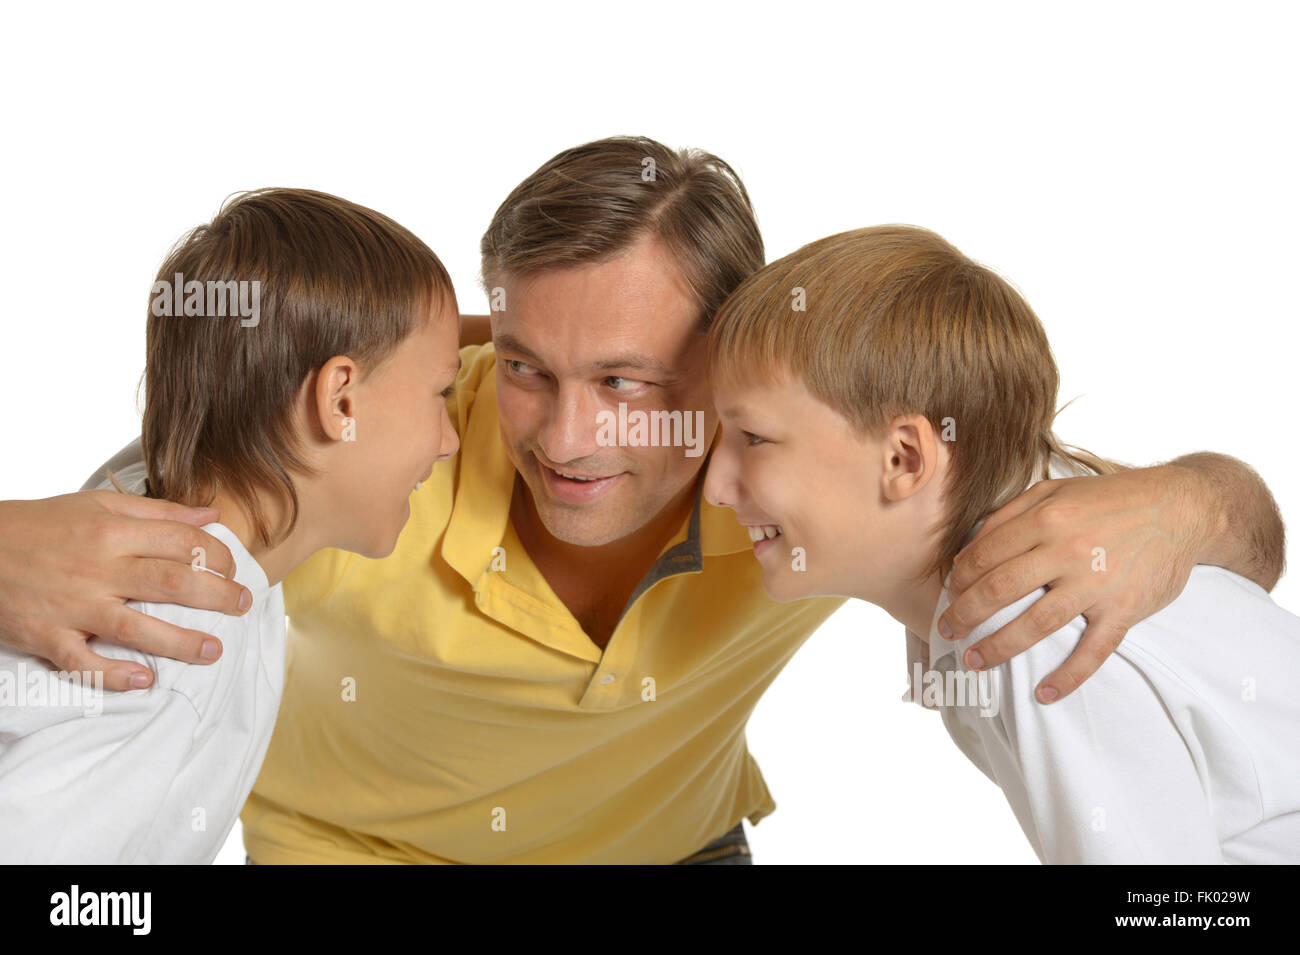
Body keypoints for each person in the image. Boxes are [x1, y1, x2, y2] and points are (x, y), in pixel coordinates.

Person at [0, 138, 1286, 864]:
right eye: (526, 369)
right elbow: (181, 509)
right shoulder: (365, 447)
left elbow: (1239, 541)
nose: (570, 437)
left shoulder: (804, 479)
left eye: (630, 381)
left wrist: (1183, 503)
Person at [702, 224, 1297, 863]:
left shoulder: (1033, 615)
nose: (715, 486)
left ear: (905, 458)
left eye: (754, 438)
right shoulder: (1031, 534)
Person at [0, 188, 461, 862]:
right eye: (441, 393)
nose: (450, 440)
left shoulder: (155, 501)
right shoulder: (182, 625)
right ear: (340, 400)